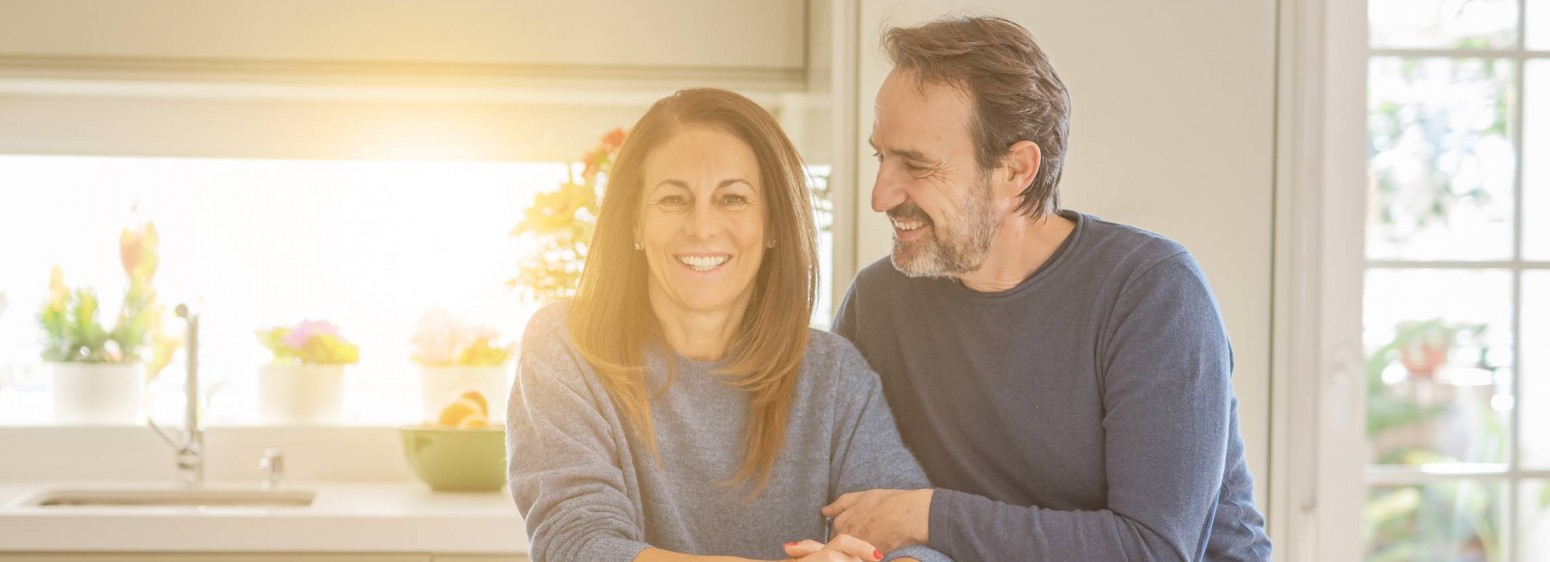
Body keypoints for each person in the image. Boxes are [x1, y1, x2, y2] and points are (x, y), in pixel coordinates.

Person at [823, 16, 1273, 561]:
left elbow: (1154, 550)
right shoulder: (879, 301)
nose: (880, 195)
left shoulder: (1152, 294)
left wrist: (927, 514)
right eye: (881, 157)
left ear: (1015, 171)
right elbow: (840, 492)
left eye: (916, 165)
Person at [506, 88, 949, 562]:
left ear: (774, 223)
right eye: (673, 199)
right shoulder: (569, 345)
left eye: (733, 198)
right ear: (635, 222)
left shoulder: (833, 374)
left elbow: (913, 544)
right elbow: (578, 544)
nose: (702, 227)